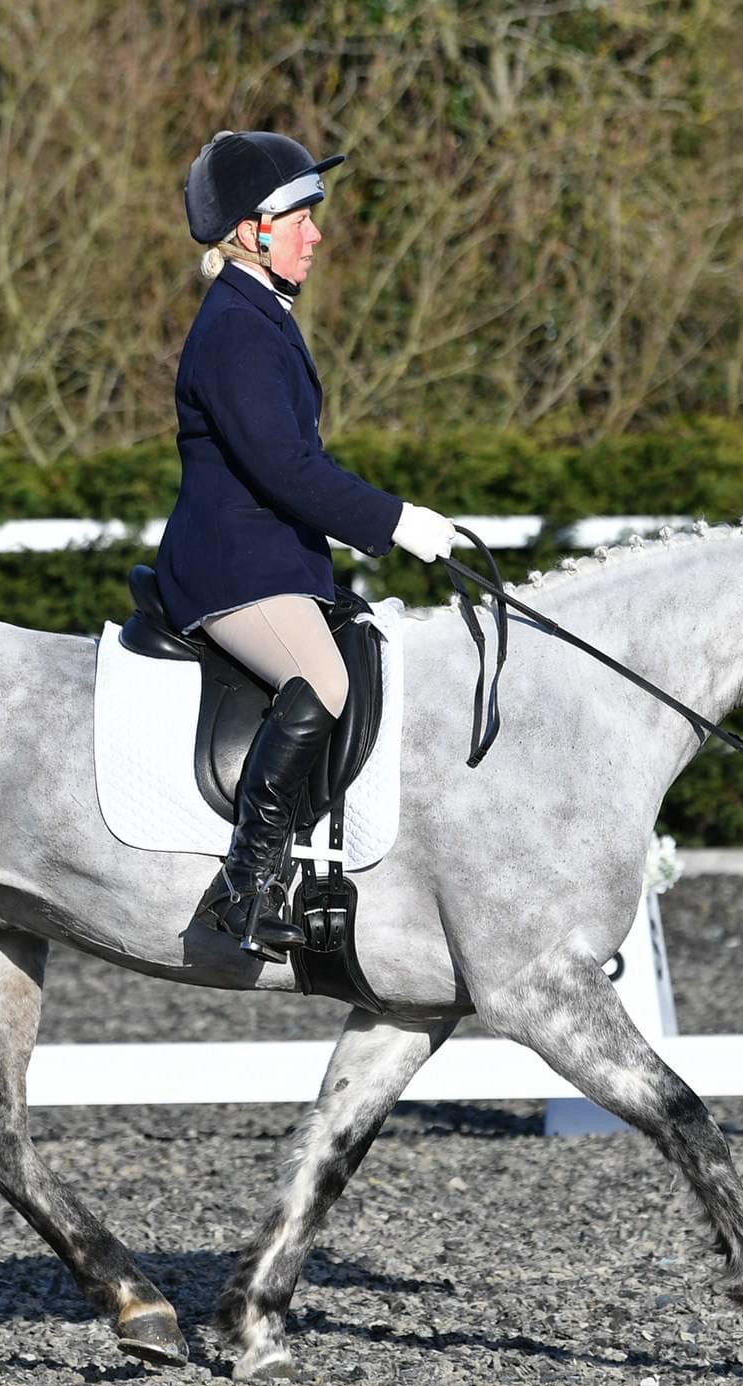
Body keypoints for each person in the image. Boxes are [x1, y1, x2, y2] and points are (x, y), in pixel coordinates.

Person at [159, 129, 460, 960]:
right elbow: (285, 467)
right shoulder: (237, 328)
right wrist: (396, 521)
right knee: (321, 679)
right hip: (231, 568)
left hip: (271, 561)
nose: (317, 234)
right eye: (301, 220)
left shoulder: (259, 315)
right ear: (253, 231)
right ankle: (244, 888)